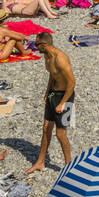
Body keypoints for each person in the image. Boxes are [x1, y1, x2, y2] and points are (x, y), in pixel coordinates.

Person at [24, 34, 75, 175]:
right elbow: (52, 74)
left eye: (37, 44)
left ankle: (68, 166)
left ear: (44, 45)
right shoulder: (47, 56)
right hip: (53, 94)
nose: (35, 46)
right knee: (46, 128)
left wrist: (63, 103)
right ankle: (40, 162)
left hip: (66, 97)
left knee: (60, 134)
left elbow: (72, 83)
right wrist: (47, 92)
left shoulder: (61, 58)